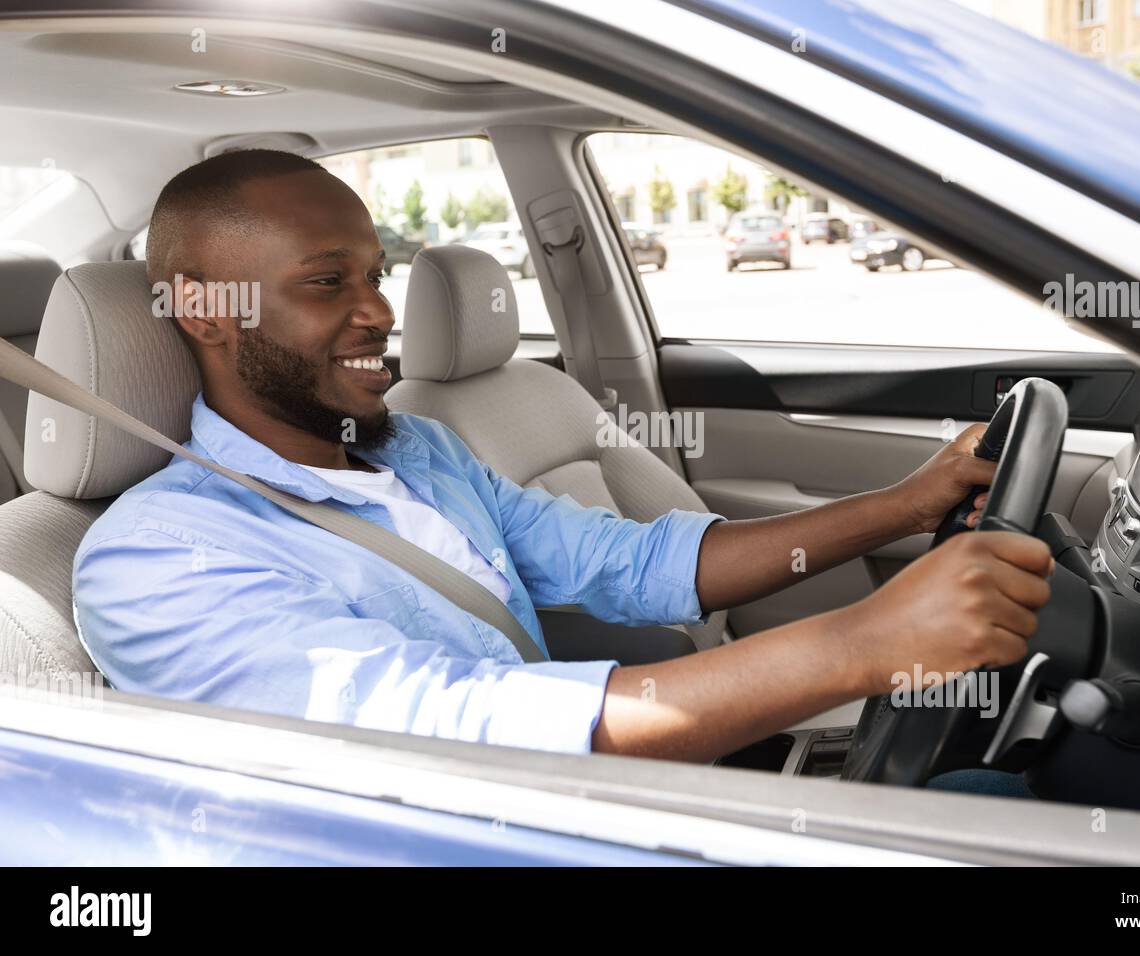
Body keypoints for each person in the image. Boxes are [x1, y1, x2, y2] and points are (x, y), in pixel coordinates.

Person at [73, 150, 1052, 764]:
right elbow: (454, 729)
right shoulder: (156, 557)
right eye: (327, 283)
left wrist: (910, 502)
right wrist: (862, 646)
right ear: (204, 307)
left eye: (375, 274)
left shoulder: (418, 448)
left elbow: (637, 564)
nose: (376, 311)